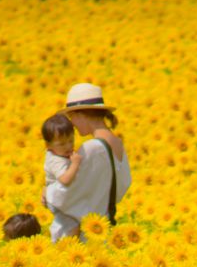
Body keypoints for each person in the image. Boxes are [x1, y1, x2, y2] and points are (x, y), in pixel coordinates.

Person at [42, 83, 131, 243]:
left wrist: (47, 193)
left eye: (72, 117)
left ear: (81, 115)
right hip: (103, 230)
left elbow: (69, 192)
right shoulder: (118, 144)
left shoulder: (91, 149)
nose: (72, 125)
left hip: (83, 237)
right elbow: (123, 185)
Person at [41, 114, 84, 241]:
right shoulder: (55, 160)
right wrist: (75, 163)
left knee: (68, 223)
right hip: (57, 199)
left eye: (71, 141)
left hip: (61, 197)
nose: (68, 146)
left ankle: (62, 242)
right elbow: (65, 180)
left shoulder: (60, 153)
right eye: (62, 144)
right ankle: (62, 245)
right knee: (72, 226)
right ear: (48, 145)